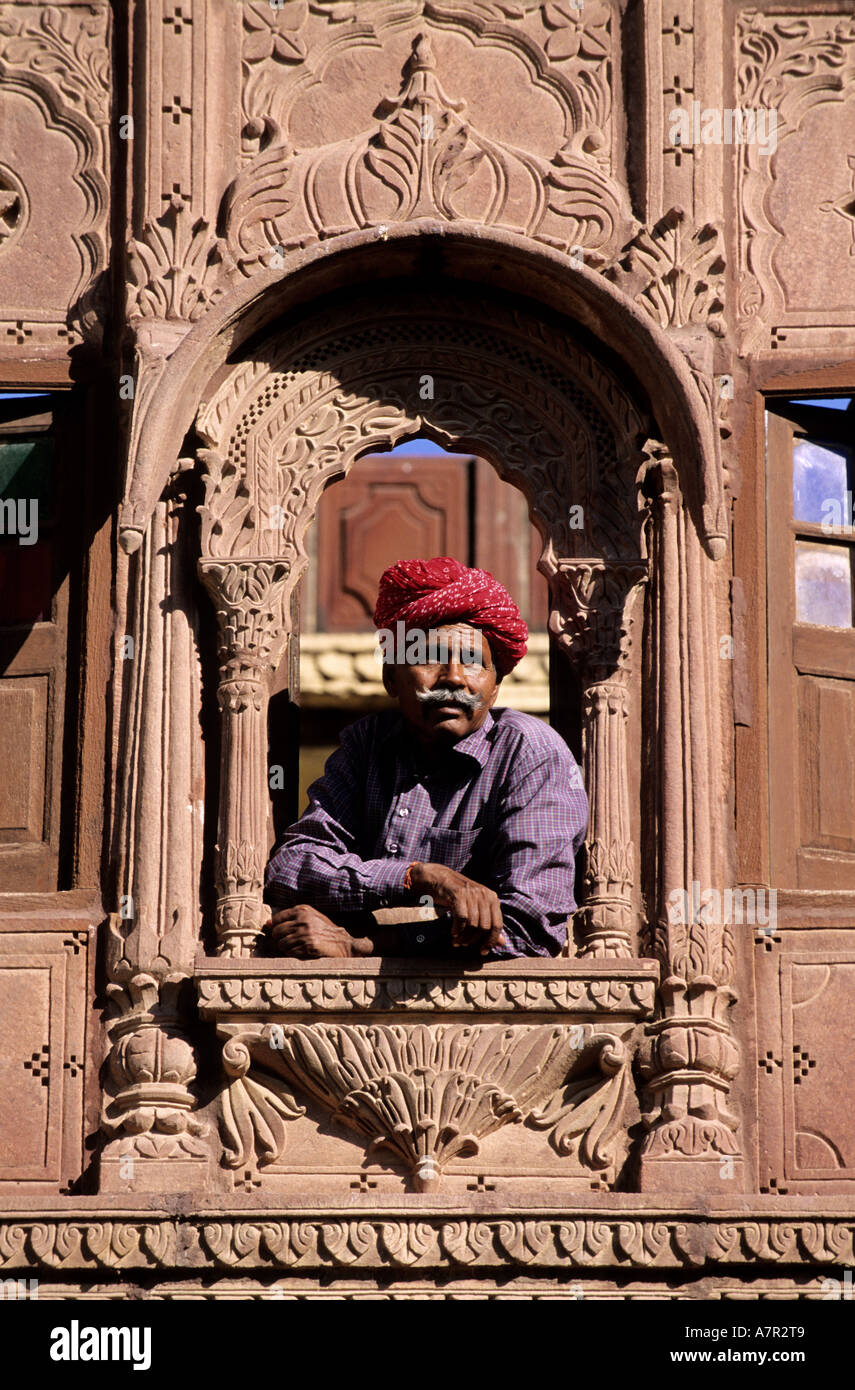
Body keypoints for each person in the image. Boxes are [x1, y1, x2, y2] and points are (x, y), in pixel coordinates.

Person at [264, 556, 588, 959]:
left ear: (495, 686)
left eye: (473, 662)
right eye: (430, 656)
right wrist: (417, 877)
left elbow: (527, 928)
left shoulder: (530, 752)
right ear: (390, 678)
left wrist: (361, 943)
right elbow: (290, 868)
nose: (453, 677)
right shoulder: (368, 745)